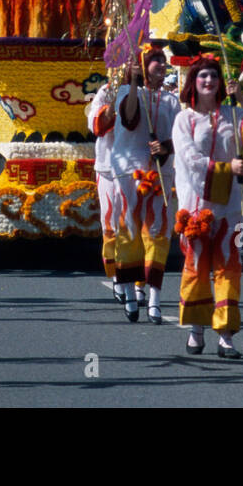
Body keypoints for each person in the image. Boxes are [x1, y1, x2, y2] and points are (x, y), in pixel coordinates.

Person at [172, 55, 243, 359]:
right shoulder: (184, 119)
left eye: (214, 76)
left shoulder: (233, 114)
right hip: (196, 207)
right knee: (196, 268)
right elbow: (189, 159)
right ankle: (196, 331)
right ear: (193, 82)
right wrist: (226, 167)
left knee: (230, 269)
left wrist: (242, 100)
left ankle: (225, 336)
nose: (209, 81)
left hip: (231, 209)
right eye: (203, 76)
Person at [111, 45, 180, 324]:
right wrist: (134, 84)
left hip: (161, 173)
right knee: (129, 231)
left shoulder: (172, 100)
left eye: (164, 62)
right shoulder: (127, 93)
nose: (162, 66)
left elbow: (179, 135)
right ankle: (128, 289)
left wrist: (164, 148)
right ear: (142, 65)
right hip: (130, 170)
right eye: (156, 62)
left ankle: (154, 297)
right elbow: (128, 120)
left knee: (158, 233)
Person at [86, 81, 122, 302]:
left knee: (136, 226)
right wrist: (112, 104)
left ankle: (139, 283)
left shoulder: (153, 92)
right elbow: (96, 126)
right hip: (109, 167)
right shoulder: (108, 90)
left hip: (140, 169)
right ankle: (118, 275)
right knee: (112, 223)